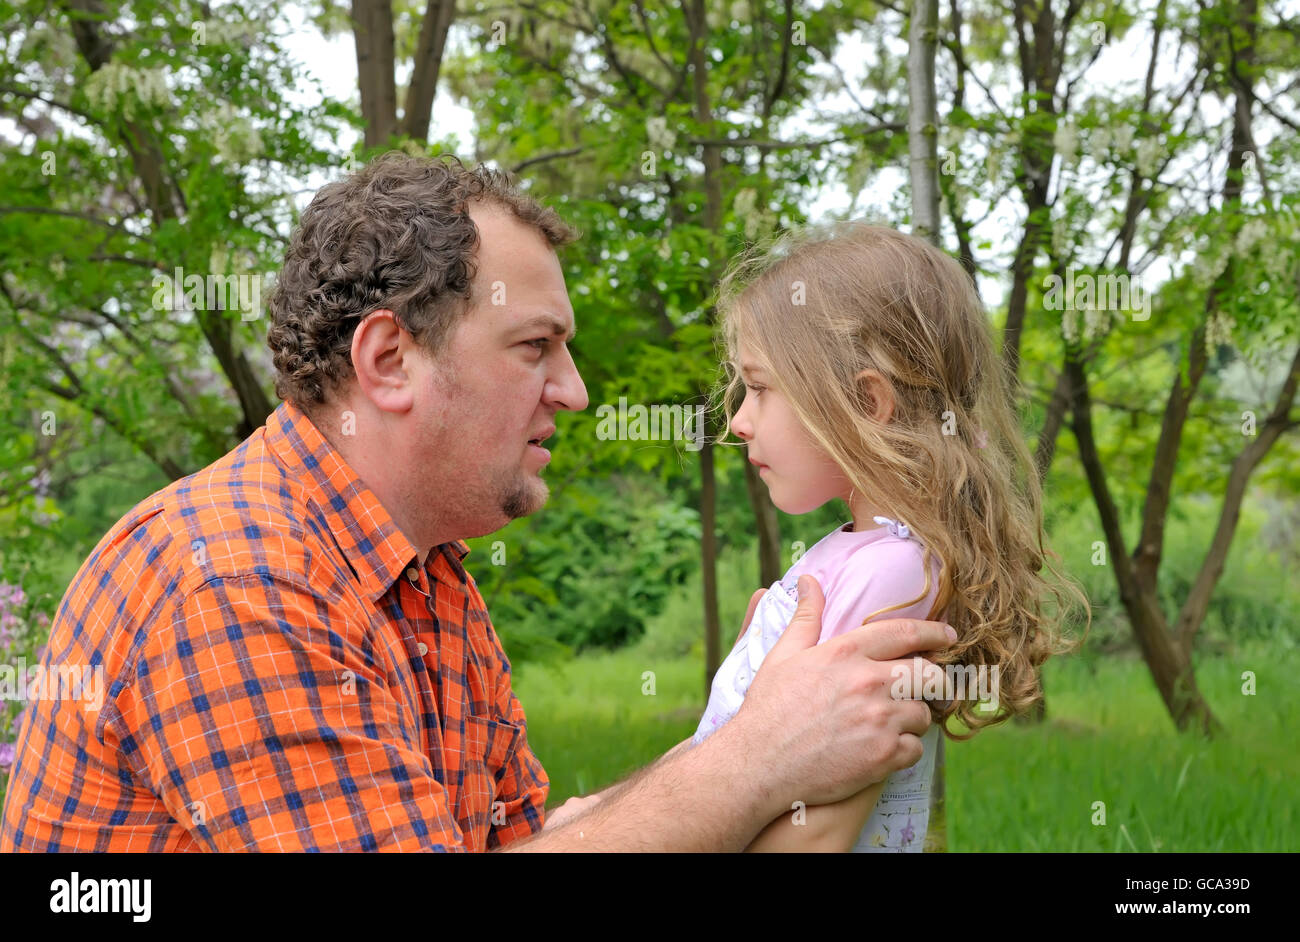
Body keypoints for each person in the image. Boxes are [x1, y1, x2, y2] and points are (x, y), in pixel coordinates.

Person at [0, 154, 955, 853]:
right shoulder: (234, 577)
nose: (575, 391)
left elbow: (516, 845)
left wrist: (758, 732)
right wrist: (758, 760)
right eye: (535, 346)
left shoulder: (426, 575)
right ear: (389, 362)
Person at [682, 223, 1087, 852]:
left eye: (760, 388)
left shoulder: (891, 575)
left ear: (868, 403)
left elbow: (816, 834)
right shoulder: (863, 553)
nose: (737, 420)